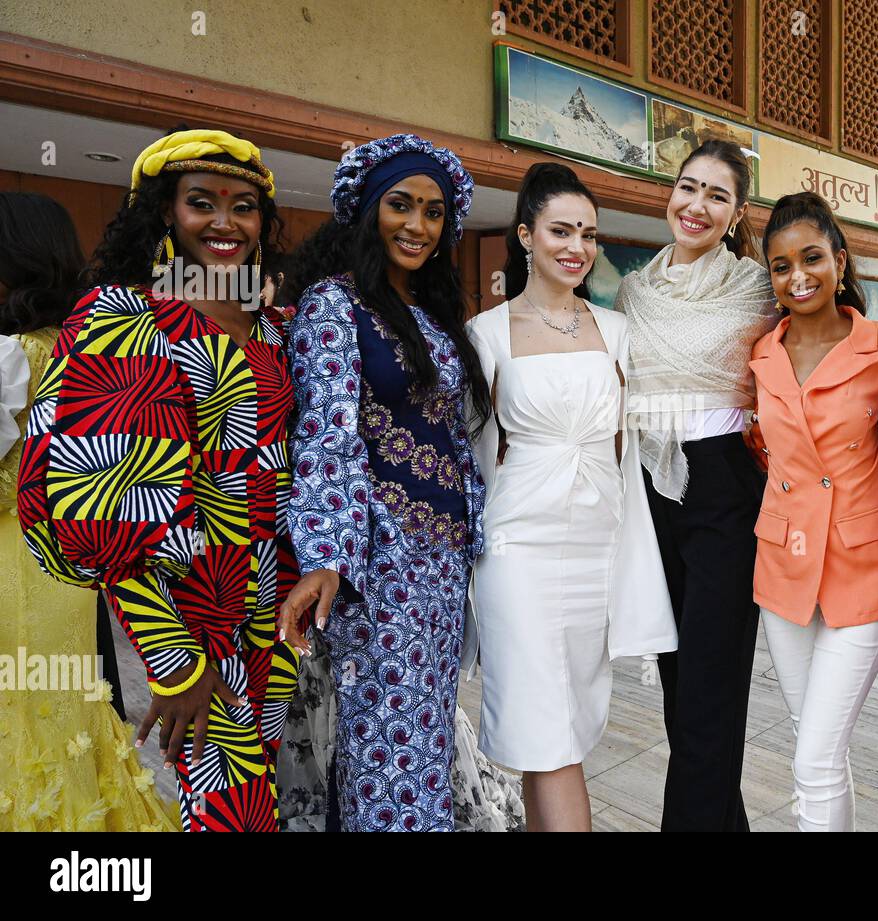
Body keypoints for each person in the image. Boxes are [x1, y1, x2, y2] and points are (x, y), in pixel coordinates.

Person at [18, 129, 299, 831]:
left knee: (263, 790)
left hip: (274, 607)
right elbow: (104, 503)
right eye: (201, 202)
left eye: (244, 207)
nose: (226, 223)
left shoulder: (273, 327)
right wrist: (174, 662)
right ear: (163, 213)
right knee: (231, 811)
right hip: (191, 616)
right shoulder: (128, 316)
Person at [278, 134, 495, 832]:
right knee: (384, 747)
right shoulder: (331, 307)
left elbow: (453, 438)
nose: (418, 225)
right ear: (368, 210)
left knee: (423, 737)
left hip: (441, 562)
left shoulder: (433, 318)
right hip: (381, 560)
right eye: (401, 205)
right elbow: (326, 435)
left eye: (434, 212)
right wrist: (326, 559)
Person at [467, 162, 675, 831]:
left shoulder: (617, 330)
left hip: (596, 548)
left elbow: (632, 447)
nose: (577, 247)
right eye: (561, 230)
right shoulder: (487, 332)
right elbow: (475, 456)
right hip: (518, 549)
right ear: (525, 234)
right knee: (547, 727)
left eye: (589, 233)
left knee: (555, 731)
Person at [615, 139, 779, 831]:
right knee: (682, 688)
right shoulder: (633, 291)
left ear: (736, 212)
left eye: (717, 195)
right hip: (649, 485)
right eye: (689, 187)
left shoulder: (758, 288)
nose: (698, 204)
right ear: (669, 193)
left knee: (712, 687)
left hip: (723, 484)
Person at [0, 191, 177, 831]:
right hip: (65, 569)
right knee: (69, 709)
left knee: (26, 710)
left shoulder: (10, 354)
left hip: (15, 567)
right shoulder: (87, 344)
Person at [750, 191, 878, 831]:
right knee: (817, 749)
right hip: (783, 567)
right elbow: (760, 448)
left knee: (813, 758)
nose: (798, 276)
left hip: (862, 569)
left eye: (811, 257)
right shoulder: (760, 353)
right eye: (781, 266)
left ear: (840, 261)